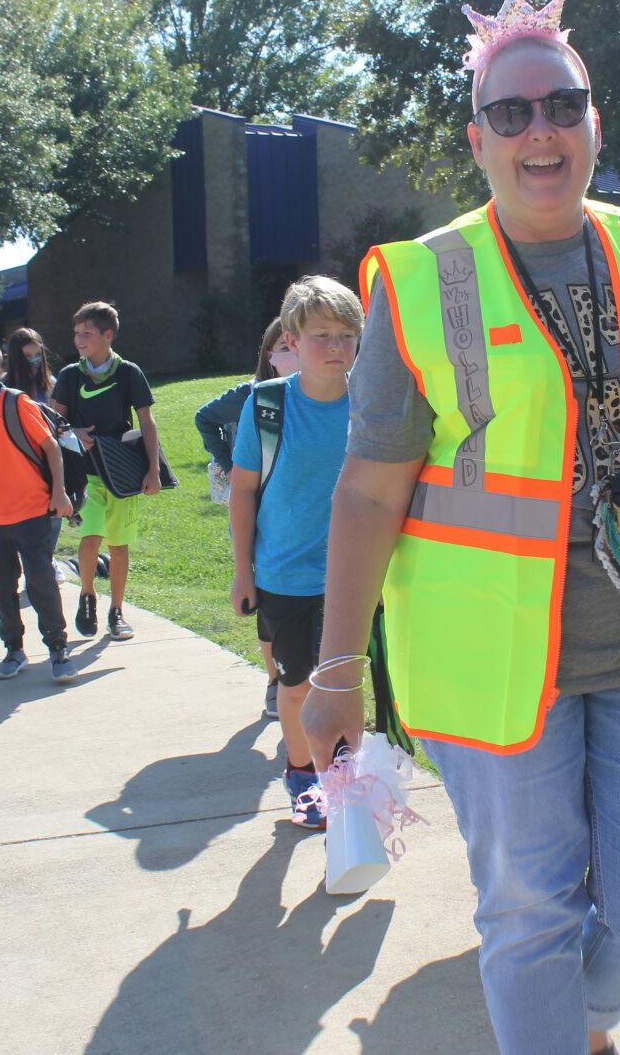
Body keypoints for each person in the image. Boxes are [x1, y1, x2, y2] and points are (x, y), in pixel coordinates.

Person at [300, 0, 620, 1055]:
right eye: (512, 112)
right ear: (477, 137)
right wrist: (335, 669)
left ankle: (580, 1025)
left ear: (593, 124)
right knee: (528, 908)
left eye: (562, 106)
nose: (541, 131)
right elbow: (369, 490)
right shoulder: (421, 282)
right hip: (489, 653)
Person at [229, 278, 362, 830]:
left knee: (348, 682)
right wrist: (243, 571)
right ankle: (303, 776)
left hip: (359, 576)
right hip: (285, 574)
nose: (336, 346)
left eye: (347, 335)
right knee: (297, 683)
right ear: (291, 340)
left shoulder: (372, 400)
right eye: (321, 335)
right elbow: (242, 490)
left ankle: (346, 781)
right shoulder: (267, 406)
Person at [0, 333, 76, 682]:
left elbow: (51, 447)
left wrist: (59, 493)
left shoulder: (16, 402)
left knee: (40, 581)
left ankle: (58, 649)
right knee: (2, 585)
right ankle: (14, 650)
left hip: (32, 511)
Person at [198, 318, 298, 719]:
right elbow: (204, 418)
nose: (292, 353)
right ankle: (276, 680)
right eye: (284, 347)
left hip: (303, 516)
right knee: (267, 597)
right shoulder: (252, 395)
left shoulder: (325, 395)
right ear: (269, 355)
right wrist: (231, 465)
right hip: (258, 509)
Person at [50, 301, 160, 641]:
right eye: (76, 333)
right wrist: (73, 432)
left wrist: (153, 470)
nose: (79, 339)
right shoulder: (70, 375)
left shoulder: (129, 372)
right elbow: (51, 422)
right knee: (90, 537)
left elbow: (146, 422)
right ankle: (87, 597)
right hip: (85, 474)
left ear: (108, 335)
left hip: (122, 474)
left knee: (119, 546)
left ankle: (117, 611)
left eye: (87, 333)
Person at [2, 328, 69, 581]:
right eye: (27, 357)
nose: (34, 362)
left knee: (53, 514)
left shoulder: (50, 384)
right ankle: (36, 563)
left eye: (37, 355)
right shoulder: (5, 388)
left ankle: (45, 561)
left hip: (49, 459)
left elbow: (61, 420)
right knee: (26, 519)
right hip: (18, 462)